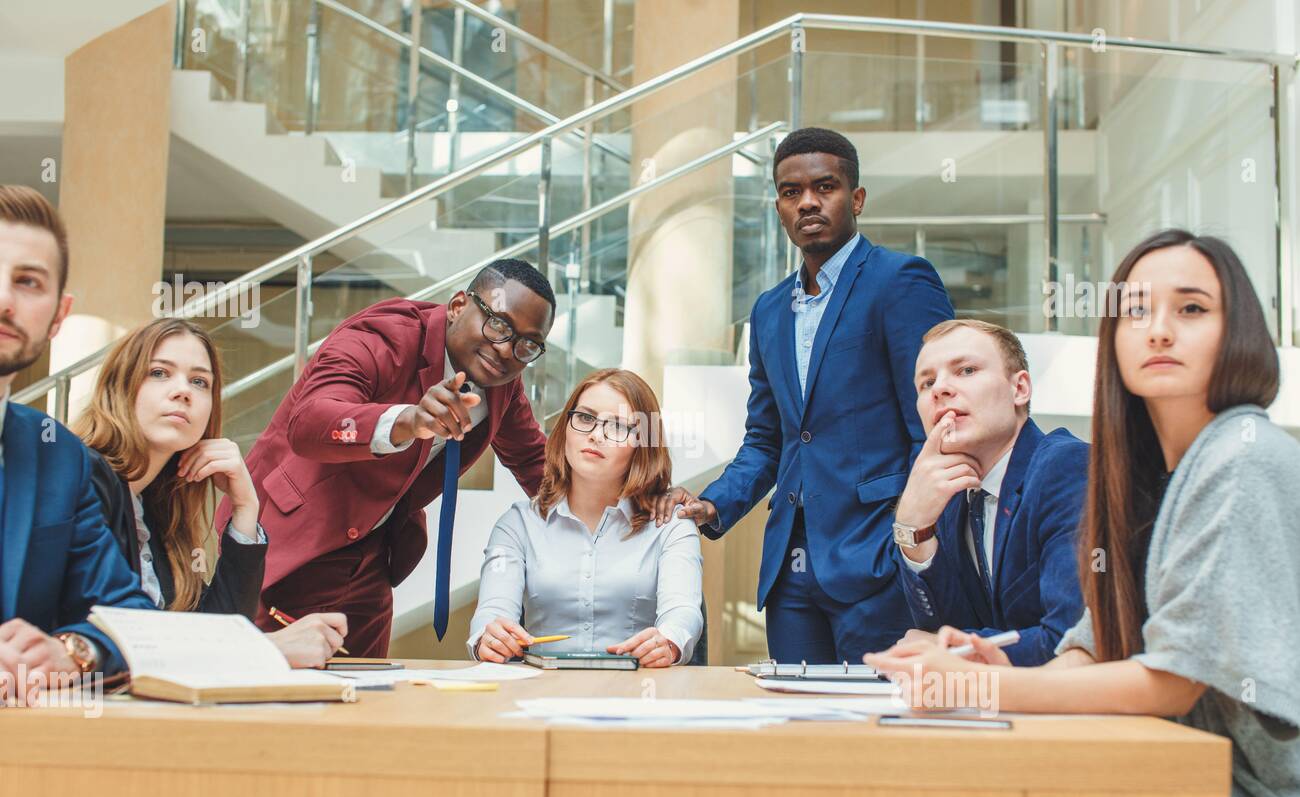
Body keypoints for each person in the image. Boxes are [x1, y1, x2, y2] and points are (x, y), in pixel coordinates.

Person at [866, 230, 1300, 797]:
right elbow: (1095, 642)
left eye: (1191, 309)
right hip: (1167, 793)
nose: (1157, 331)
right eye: (1136, 312)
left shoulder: (1240, 458)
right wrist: (983, 660)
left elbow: (1174, 680)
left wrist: (978, 688)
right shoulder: (1159, 475)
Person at [653, 127, 954, 663]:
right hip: (791, 574)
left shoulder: (900, 281)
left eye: (825, 187)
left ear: (856, 198)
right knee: (797, 726)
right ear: (778, 206)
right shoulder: (769, 311)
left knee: (877, 730)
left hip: (879, 561)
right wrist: (711, 503)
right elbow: (768, 441)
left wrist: (906, 539)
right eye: (792, 192)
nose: (808, 201)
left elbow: (937, 426)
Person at [218, 258, 555, 656]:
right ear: (458, 305)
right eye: (498, 324)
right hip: (287, 541)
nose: (505, 350)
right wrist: (407, 421)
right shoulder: (383, 336)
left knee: (367, 700)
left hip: (373, 556)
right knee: (261, 692)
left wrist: (634, 506)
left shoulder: (503, 385)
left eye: (526, 344)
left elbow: (539, 465)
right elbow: (308, 422)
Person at [76, 317, 347, 668]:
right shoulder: (81, 478)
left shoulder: (155, 512)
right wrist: (264, 649)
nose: (183, 391)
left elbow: (216, 625)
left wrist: (246, 508)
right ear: (119, 386)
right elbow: (111, 639)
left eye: (199, 381)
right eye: (159, 373)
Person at [0, 184, 156, 694]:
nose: (4, 299)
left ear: (58, 315)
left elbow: (127, 615)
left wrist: (71, 651)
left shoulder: (58, 457)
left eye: (27, 282)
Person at [469, 369, 702, 666]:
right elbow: (491, 612)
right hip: (540, 695)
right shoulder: (518, 523)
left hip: (638, 693)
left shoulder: (671, 525)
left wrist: (669, 641)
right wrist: (487, 639)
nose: (595, 434)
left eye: (617, 425)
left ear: (643, 445)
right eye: (585, 418)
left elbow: (682, 612)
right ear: (565, 426)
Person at [889, 319, 1089, 665]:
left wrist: (949, 649)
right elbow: (950, 626)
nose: (940, 389)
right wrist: (913, 528)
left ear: (1020, 389)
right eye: (926, 382)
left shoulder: (1067, 468)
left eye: (965, 370)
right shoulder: (953, 496)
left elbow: (1069, 640)